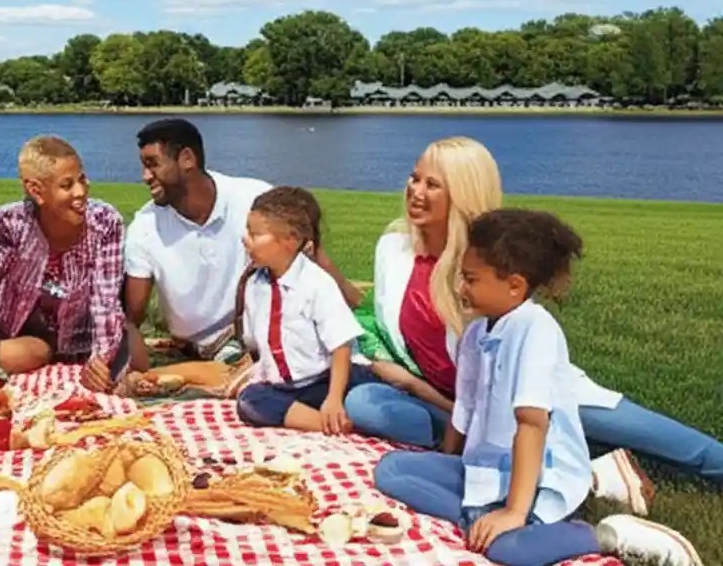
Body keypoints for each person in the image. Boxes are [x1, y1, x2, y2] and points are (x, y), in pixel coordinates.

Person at [344, 136, 723, 515]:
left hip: (534, 394)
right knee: (365, 404)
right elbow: (381, 322)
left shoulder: (492, 264)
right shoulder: (393, 249)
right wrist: (407, 380)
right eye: (414, 178)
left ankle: (576, 464)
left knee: (681, 446)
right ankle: (580, 469)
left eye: (432, 184)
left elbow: (518, 353)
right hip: (462, 407)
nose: (416, 191)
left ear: (462, 193)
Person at [374, 208, 702, 566]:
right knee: (391, 471)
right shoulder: (475, 334)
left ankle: (608, 533)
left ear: (514, 285)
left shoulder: (535, 330)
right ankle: (480, 515)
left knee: (508, 551)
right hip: (487, 469)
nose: (460, 287)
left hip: (539, 476)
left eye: (470, 279)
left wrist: (514, 511)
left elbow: (532, 423)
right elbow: (465, 411)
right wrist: (448, 459)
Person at [0, 135, 126, 390]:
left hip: (74, 339)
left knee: (129, 358)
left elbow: (106, 300)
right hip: (9, 327)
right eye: (67, 185)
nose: (80, 192)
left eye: (81, 179)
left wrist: (101, 359)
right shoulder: (10, 224)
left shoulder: (105, 223)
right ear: (36, 191)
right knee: (32, 353)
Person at [118, 118, 272, 385]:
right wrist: (133, 371)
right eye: (144, 166)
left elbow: (304, 260)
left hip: (260, 335)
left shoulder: (254, 198)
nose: (145, 177)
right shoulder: (145, 228)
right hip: (199, 349)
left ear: (187, 159)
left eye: (153, 164)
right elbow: (131, 316)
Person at [234, 187, 379, 433]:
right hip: (288, 387)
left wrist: (333, 397)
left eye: (255, 234)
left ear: (290, 240)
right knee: (250, 400)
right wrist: (257, 372)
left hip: (327, 379)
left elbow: (341, 345)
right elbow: (262, 346)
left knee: (365, 394)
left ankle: (336, 414)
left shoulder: (316, 284)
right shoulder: (255, 285)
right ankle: (332, 424)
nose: (245, 239)